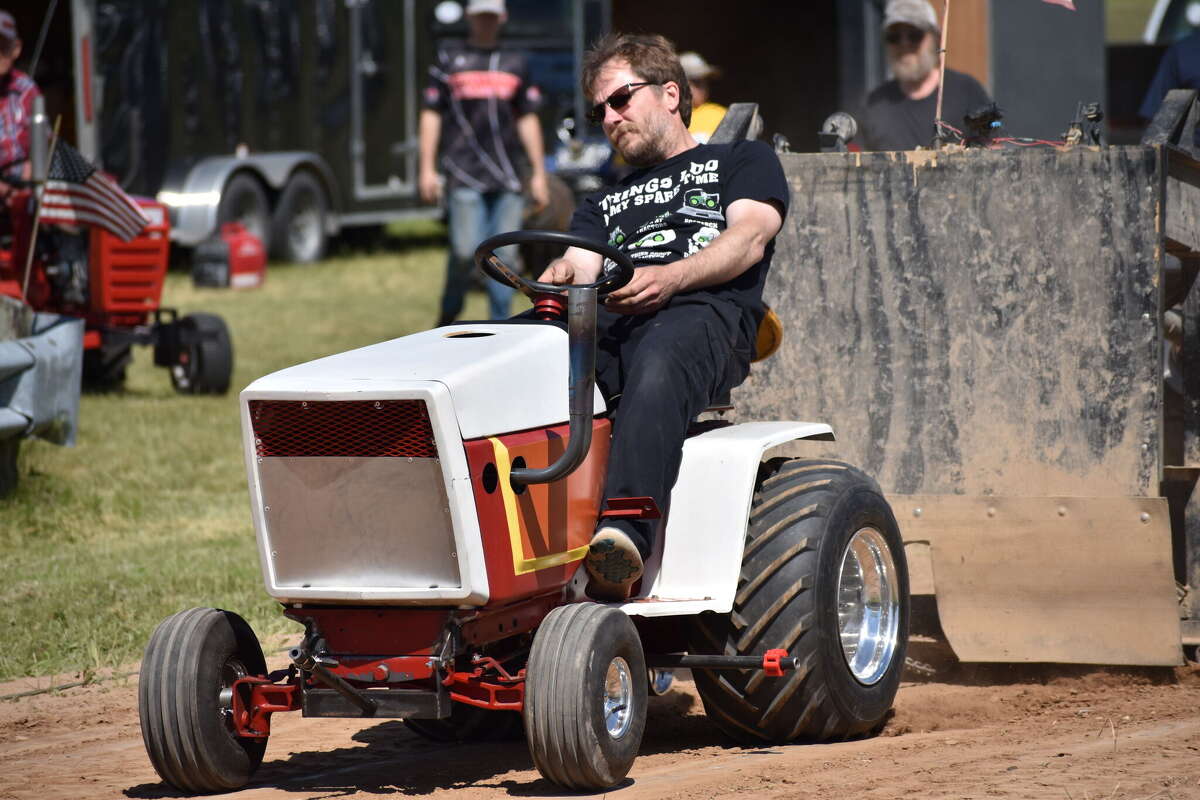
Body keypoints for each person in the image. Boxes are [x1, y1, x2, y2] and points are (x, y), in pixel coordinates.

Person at [537, 33, 789, 599]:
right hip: (611, 323)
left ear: (670, 93)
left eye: (620, 99)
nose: (609, 116)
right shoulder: (600, 200)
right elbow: (579, 261)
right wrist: (557, 275)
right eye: (598, 109)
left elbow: (748, 239)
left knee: (661, 352)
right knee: (502, 352)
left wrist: (670, 277)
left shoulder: (741, 160)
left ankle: (624, 535)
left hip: (705, 316)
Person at [419, 0, 549, 325]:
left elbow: (527, 118)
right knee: (464, 250)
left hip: (508, 176)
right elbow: (431, 113)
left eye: (491, 17)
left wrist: (539, 173)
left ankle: (501, 327)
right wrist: (426, 168)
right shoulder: (448, 58)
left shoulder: (516, 61)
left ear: (502, 17)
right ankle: (449, 312)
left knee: (504, 258)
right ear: (469, 17)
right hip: (463, 172)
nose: (485, 23)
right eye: (480, 17)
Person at [858, 0, 991, 151]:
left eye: (914, 35)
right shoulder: (874, 104)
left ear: (937, 39)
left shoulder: (968, 92)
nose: (904, 44)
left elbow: (995, 149)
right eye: (894, 37)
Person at [0, 10, 38, 197]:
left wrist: (24, 185)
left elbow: (40, 147)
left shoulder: (26, 88)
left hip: (20, 190)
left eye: (3, 46)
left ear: (16, 48)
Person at [679, 51, 726, 144]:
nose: (703, 87)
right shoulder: (667, 116)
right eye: (696, 82)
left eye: (705, 81)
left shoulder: (721, 114)